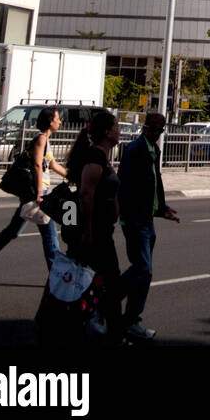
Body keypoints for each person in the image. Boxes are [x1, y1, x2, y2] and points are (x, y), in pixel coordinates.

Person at [0, 107, 67, 283]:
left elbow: (52, 165)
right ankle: (57, 281)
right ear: (50, 121)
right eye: (57, 118)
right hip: (37, 194)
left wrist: (72, 177)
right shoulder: (41, 140)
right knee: (50, 237)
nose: (60, 121)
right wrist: (38, 193)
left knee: (12, 233)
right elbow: (37, 165)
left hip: (37, 193)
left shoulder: (46, 141)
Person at [118, 112, 180, 340]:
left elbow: (153, 184)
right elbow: (125, 186)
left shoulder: (153, 151)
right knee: (144, 269)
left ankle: (128, 318)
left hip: (146, 218)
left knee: (142, 272)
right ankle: (111, 301)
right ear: (145, 128)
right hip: (135, 220)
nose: (157, 134)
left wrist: (162, 209)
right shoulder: (135, 150)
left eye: (160, 130)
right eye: (154, 129)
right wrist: (127, 216)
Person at [65, 109, 122, 339]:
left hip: (102, 230)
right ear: (107, 132)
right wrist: (87, 232)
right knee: (111, 283)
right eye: (116, 127)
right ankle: (114, 332)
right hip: (95, 233)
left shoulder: (102, 156)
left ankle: (92, 324)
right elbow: (86, 195)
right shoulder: (96, 157)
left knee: (95, 282)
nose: (119, 131)